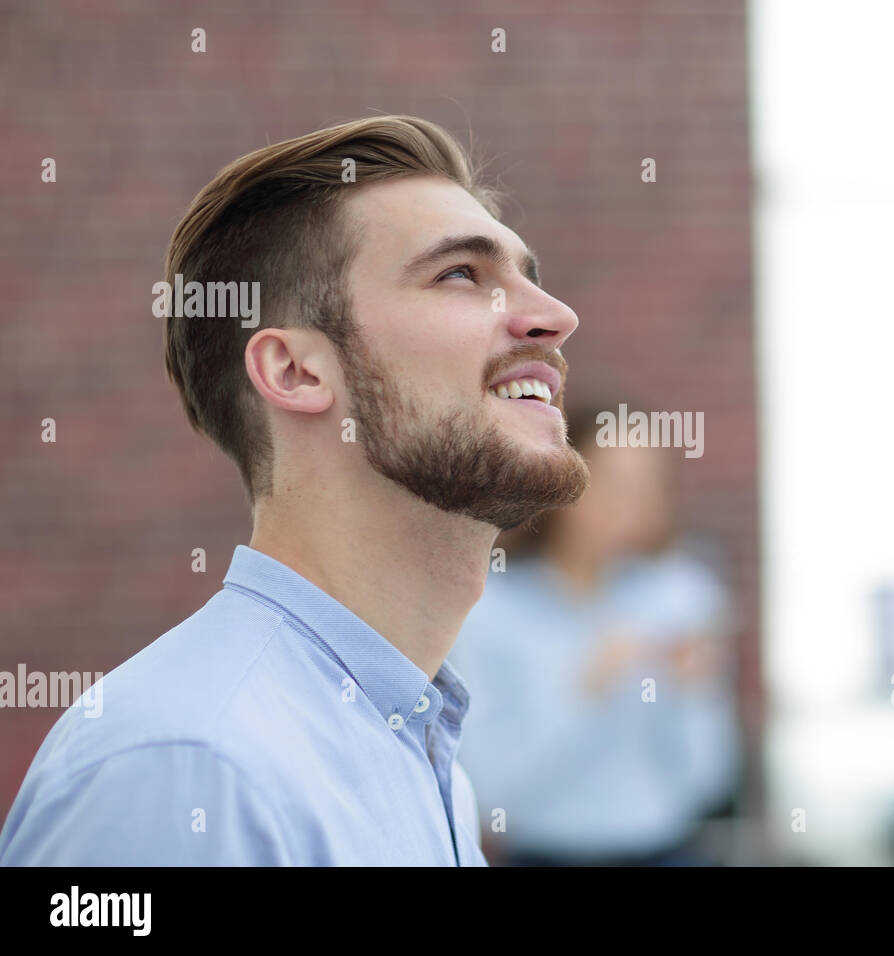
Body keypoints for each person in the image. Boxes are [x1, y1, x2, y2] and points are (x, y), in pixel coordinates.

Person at [0, 116, 591, 865]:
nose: (556, 317)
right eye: (461, 275)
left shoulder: (423, 761)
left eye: (527, 277)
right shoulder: (188, 771)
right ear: (296, 373)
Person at [449, 406, 742, 865]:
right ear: (561, 477)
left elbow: (710, 780)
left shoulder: (682, 594)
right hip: (547, 855)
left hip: (672, 852)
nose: (633, 503)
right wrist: (585, 689)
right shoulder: (493, 606)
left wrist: (692, 697)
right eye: (615, 481)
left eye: (648, 486)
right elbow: (489, 787)